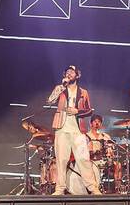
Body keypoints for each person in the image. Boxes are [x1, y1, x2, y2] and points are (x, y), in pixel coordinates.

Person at [49, 66, 101, 195]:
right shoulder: (60, 89)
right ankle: (59, 189)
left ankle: (93, 188)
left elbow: (89, 110)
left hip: (78, 130)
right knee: (61, 160)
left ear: (77, 75)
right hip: (61, 128)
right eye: (67, 72)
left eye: (72, 72)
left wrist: (77, 111)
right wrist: (60, 87)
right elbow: (50, 101)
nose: (69, 73)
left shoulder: (83, 92)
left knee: (83, 159)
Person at [87, 114, 116, 191]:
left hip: (104, 160)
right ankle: (95, 188)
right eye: (95, 121)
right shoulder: (86, 136)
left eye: (99, 122)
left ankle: (117, 188)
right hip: (92, 160)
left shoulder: (105, 136)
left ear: (101, 124)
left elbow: (111, 149)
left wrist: (110, 153)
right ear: (91, 123)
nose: (97, 123)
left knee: (118, 165)